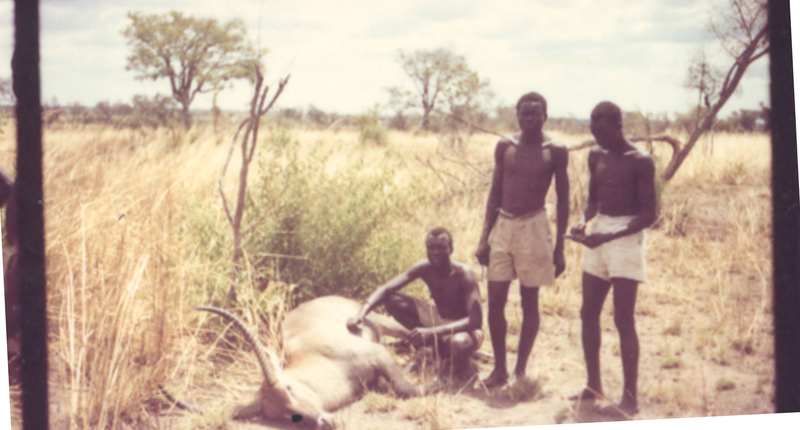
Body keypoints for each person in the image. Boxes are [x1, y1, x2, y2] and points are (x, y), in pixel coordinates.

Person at [566, 101, 657, 418]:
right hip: (601, 226)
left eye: (602, 132)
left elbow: (649, 214)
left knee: (623, 318)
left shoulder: (640, 160)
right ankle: (594, 386)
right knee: (587, 311)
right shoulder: (596, 155)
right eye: (593, 132)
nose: (597, 138)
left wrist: (606, 237)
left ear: (619, 125)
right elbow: (593, 200)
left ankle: (630, 398)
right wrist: (583, 221)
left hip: (626, 236)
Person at [475, 92, 569, 388]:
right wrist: (484, 238)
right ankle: (500, 368)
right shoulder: (506, 145)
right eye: (525, 114)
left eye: (536, 113)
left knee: (530, 301)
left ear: (546, 116)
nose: (530, 119)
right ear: (517, 116)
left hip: (534, 226)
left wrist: (560, 247)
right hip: (503, 224)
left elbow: (564, 199)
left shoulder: (555, 149)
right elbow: (494, 192)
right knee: (495, 302)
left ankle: (519, 370)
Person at [347, 227, 483, 382]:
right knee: (392, 300)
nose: (435, 253)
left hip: (464, 328)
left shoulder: (465, 274)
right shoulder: (424, 267)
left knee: (459, 343)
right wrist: (361, 314)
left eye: (441, 248)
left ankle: (461, 365)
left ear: (451, 249)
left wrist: (432, 331)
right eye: (430, 248)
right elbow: (385, 289)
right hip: (438, 318)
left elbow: (475, 321)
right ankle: (431, 348)